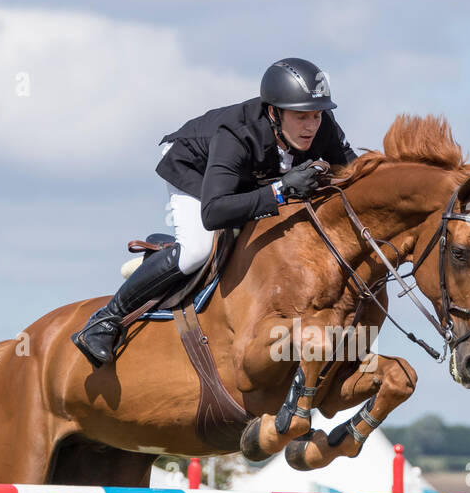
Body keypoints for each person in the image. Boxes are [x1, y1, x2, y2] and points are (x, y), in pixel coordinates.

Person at [73, 58, 358, 366]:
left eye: (316, 115)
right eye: (301, 116)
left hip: (250, 175)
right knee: (198, 249)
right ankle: (105, 320)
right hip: (193, 164)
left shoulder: (322, 126)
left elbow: (355, 174)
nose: (311, 126)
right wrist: (281, 190)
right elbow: (214, 212)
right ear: (274, 112)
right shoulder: (236, 134)